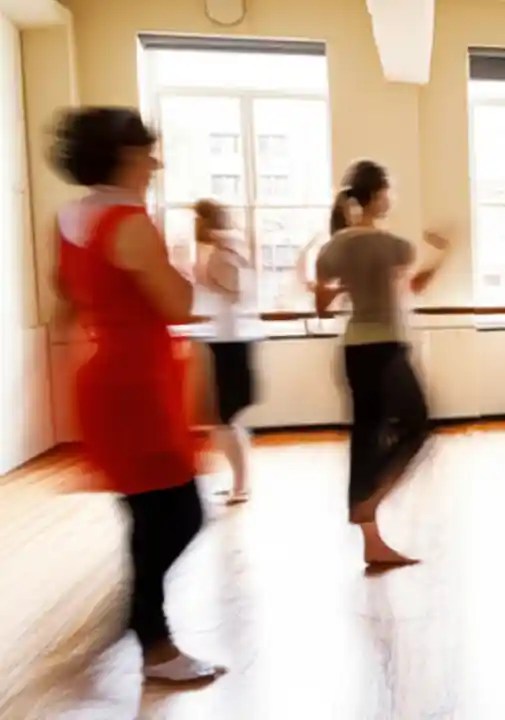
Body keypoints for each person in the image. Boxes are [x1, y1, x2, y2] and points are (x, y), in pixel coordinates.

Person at [51, 107, 223, 682]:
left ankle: (146, 628)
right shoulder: (128, 222)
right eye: (148, 152)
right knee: (181, 515)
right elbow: (180, 305)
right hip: (138, 384)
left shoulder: (69, 219)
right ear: (125, 156)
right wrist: (186, 259)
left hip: (105, 377)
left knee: (147, 515)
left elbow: (66, 307)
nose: (155, 162)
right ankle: (149, 635)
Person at [314, 159, 448, 568]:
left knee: (365, 437)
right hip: (387, 349)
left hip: (355, 350)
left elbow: (320, 305)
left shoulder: (334, 246)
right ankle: (371, 500)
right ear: (376, 196)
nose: (391, 197)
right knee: (417, 424)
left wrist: (346, 288)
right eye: (388, 190)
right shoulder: (393, 245)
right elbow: (417, 285)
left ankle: (372, 537)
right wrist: (445, 251)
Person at [194, 199, 260, 505]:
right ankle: (239, 482)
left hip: (232, 340)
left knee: (225, 419)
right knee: (226, 420)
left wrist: (209, 281)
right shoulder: (229, 251)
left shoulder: (226, 254)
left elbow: (236, 294)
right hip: (229, 338)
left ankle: (241, 485)